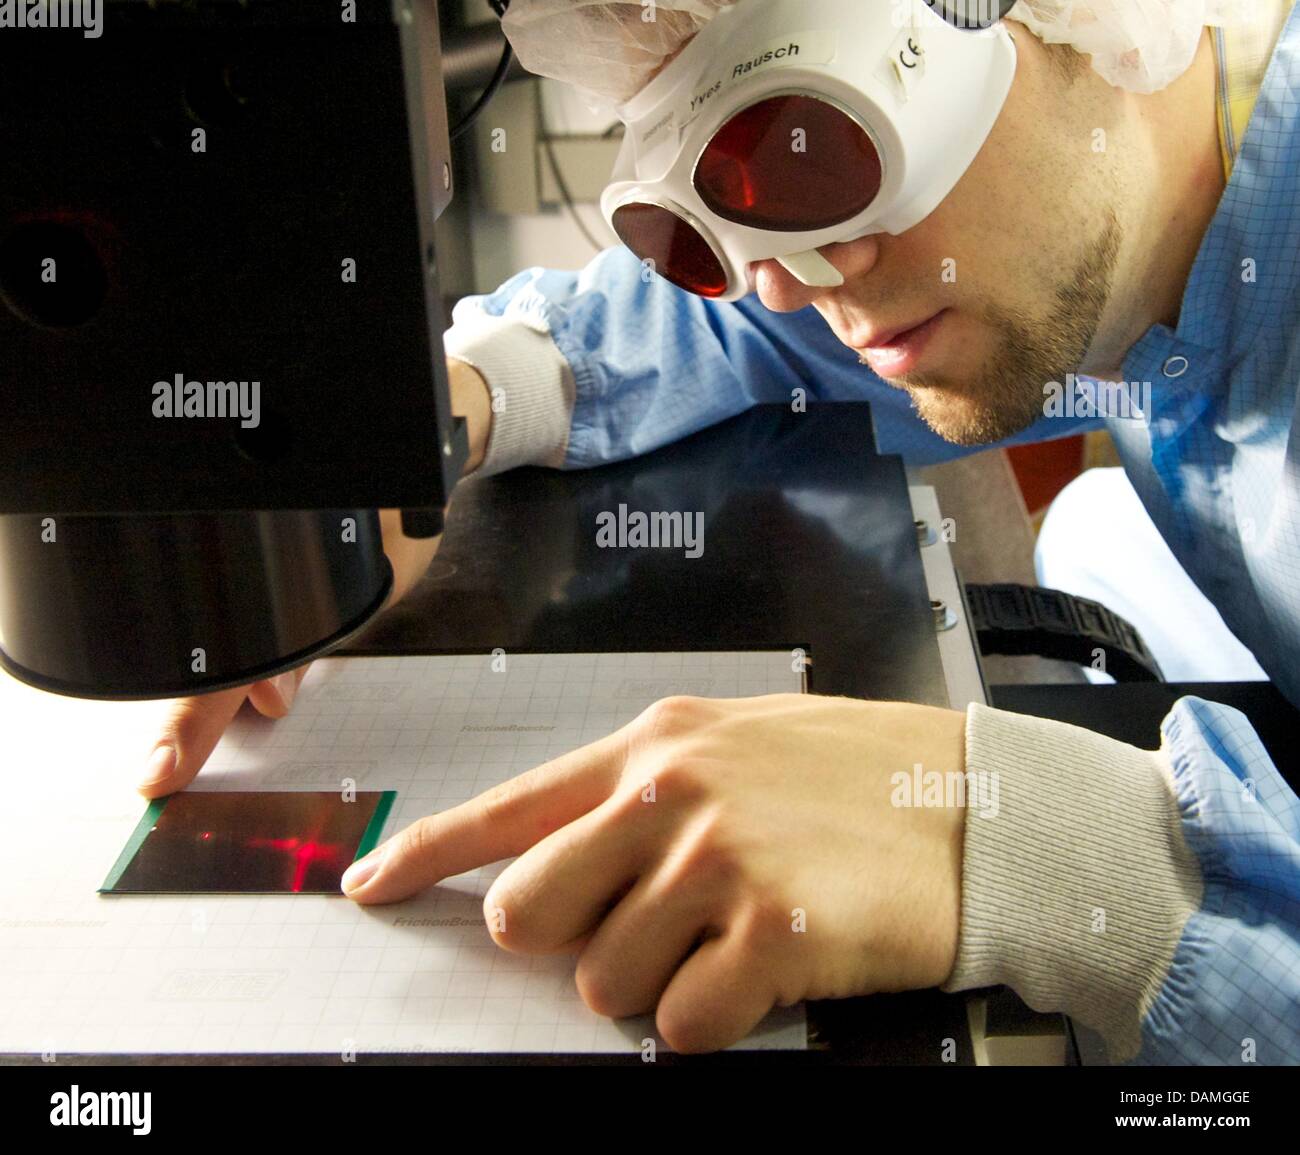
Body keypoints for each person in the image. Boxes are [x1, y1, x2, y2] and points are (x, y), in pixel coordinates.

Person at [137, 0, 1299, 1063]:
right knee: (1092, 526)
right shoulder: (1099, 254)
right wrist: (430, 431)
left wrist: (1035, 849)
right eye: (708, 222)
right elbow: (718, 334)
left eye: (822, 146)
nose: (788, 280)